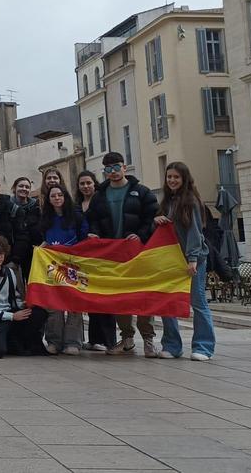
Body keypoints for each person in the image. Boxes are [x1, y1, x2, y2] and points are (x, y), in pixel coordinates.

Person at [85, 152, 158, 357]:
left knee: (143, 298)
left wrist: (141, 235)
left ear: (125, 167)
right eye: (108, 169)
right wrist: (95, 234)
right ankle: (127, 339)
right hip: (113, 256)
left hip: (137, 254)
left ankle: (148, 339)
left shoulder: (142, 192)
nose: (113, 172)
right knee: (120, 298)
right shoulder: (99, 195)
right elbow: (93, 220)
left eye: (117, 167)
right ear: (105, 172)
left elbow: (152, 218)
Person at [155, 162, 216, 361]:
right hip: (171, 259)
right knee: (167, 302)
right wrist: (158, 220)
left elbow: (194, 232)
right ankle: (172, 345)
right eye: (169, 177)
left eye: (176, 177)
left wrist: (192, 259)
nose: (172, 180)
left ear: (184, 179)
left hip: (193, 259)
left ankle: (203, 347)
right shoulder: (167, 202)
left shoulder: (190, 201)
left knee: (198, 302)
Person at [0, 235, 47, 359]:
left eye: (2, 253)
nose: (0, 257)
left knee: (39, 313)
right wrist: (12, 316)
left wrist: (25, 304)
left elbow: (14, 299)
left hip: (9, 316)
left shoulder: (10, 273)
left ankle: (13, 341)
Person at [38, 183, 90, 355]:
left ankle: (73, 342)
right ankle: (54, 340)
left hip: (75, 266)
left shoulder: (76, 217)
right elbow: (46, 240)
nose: (57, 198)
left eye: (60, 195)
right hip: (53, 266)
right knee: (54, 305)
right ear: (49, 199)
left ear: (65, 196)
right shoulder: (46, 219)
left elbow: (84, 241)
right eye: (53, 196)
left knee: (74, 304)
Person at [75, 170, 113, 351]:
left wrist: (99, 236)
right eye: (82, 184)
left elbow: (107, 224)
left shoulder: (102, 200)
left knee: (103, 298)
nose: (85, 186)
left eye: (88, 183)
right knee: (89, 298)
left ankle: (107, 339)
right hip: (84, 256)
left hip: (101, 254)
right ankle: (93, 339)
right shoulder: (77, 205)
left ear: (94, 183)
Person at [11, 177, 42, 282]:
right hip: (14, 250)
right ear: (14, 188)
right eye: (21, 186)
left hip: (32, 250)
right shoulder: (8, 205)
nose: (24, 189)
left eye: (27, 187)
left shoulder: (36, 206)